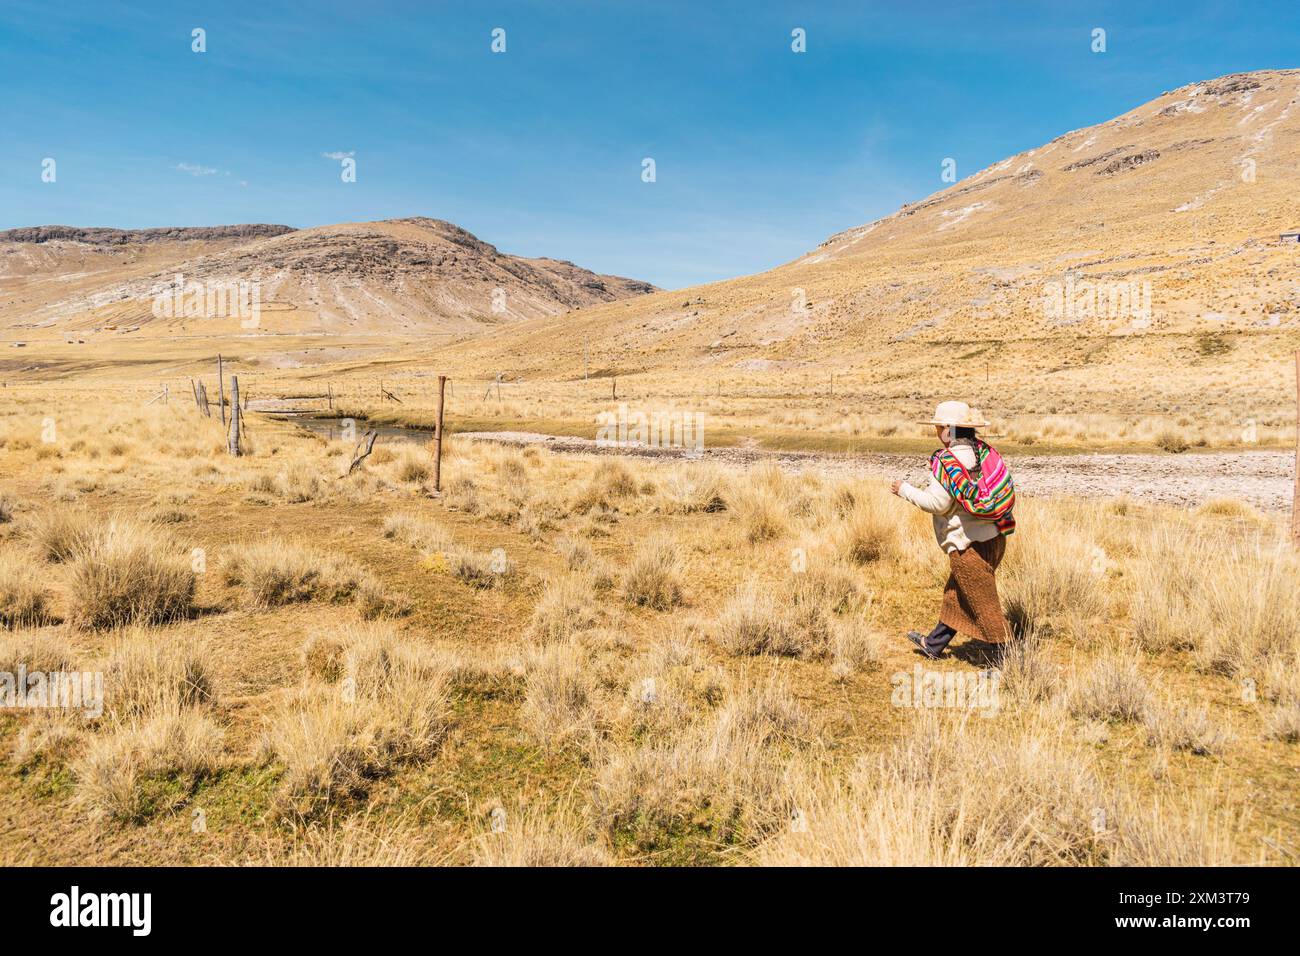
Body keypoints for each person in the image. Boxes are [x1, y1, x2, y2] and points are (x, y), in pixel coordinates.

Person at [890, 401, 1012, 659]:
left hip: (967, 548)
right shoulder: (983, 453)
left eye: (938, 428)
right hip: (995, 539)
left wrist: (905, 490)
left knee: (985, 606)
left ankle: (1007, 660)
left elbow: (938, 503)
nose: (937, 433)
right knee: (956, 596)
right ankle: (933, 644)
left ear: (948, 430)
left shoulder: (947, 461)